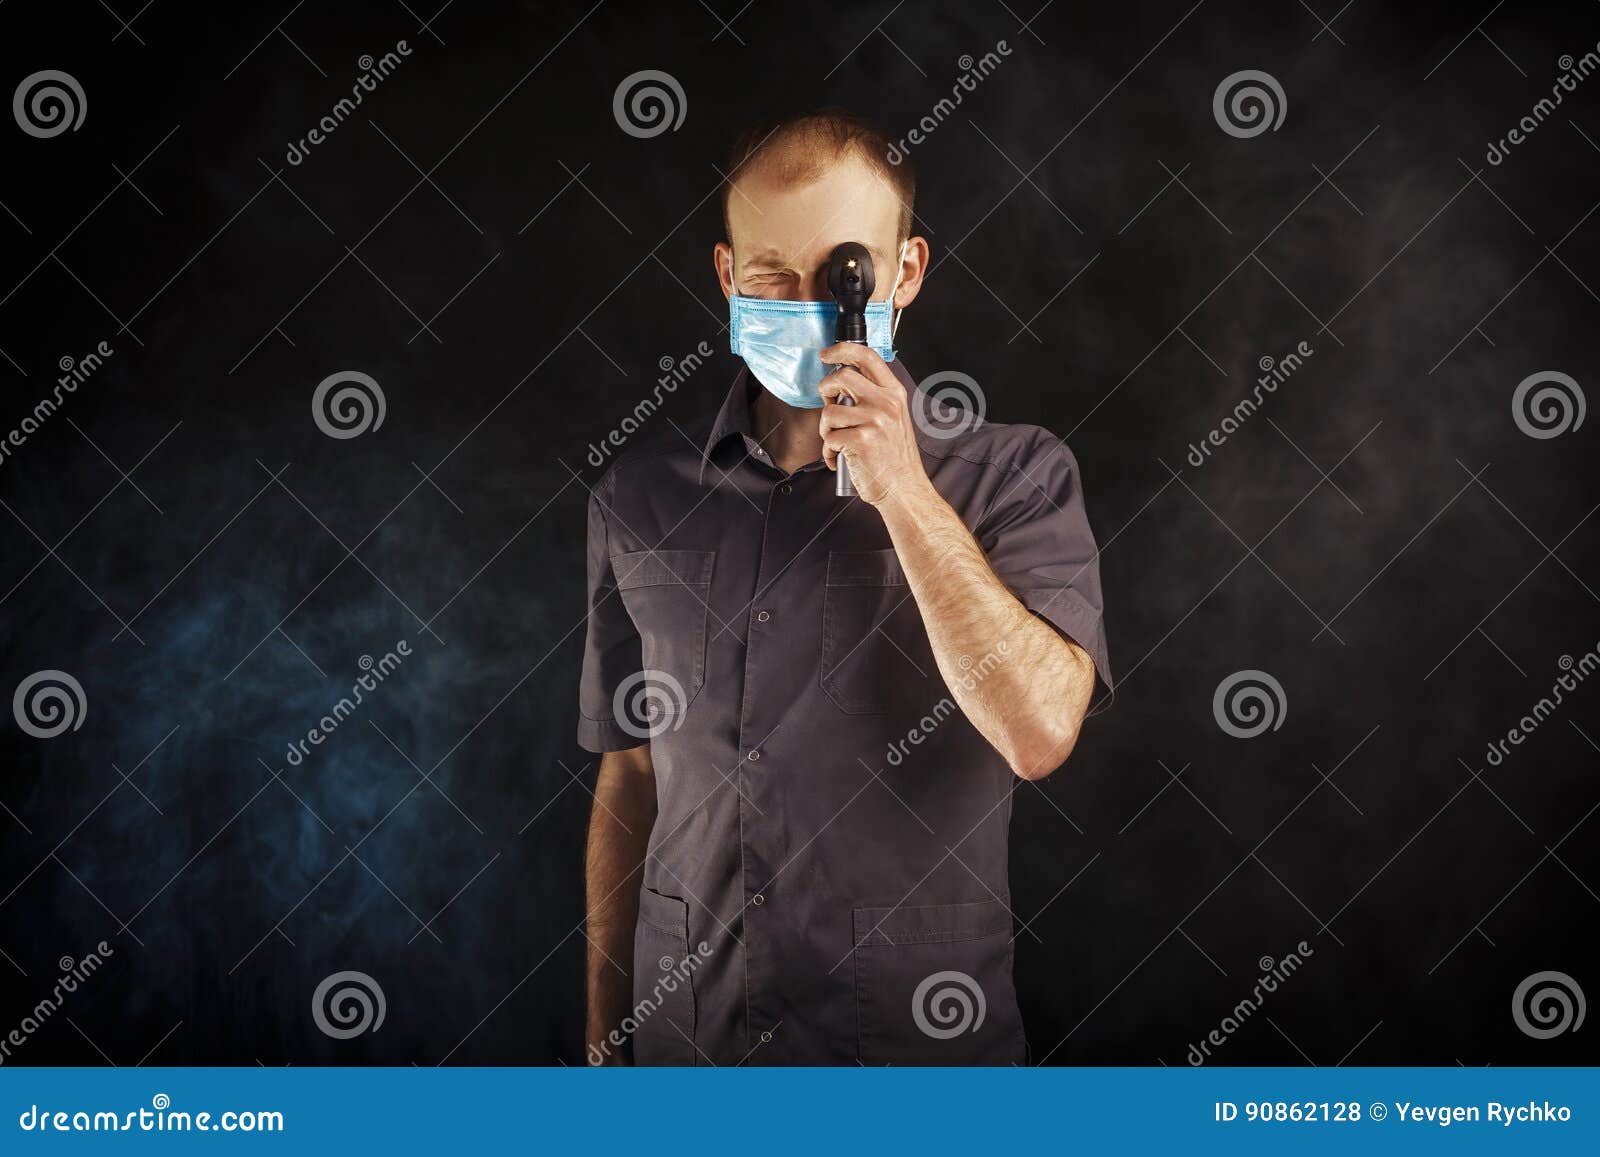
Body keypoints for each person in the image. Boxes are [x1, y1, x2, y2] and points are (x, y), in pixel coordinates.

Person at [578, 108, 1112, 1065]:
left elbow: (1039, 731)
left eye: (842, 272)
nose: (804, 302)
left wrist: (903, 488)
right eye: (772, 275)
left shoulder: (1017, 477)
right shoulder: (637, 494)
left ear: (902, 272)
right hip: (687, 1055)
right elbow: (630, 770)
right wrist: (604, 1035)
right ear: (728, 277)